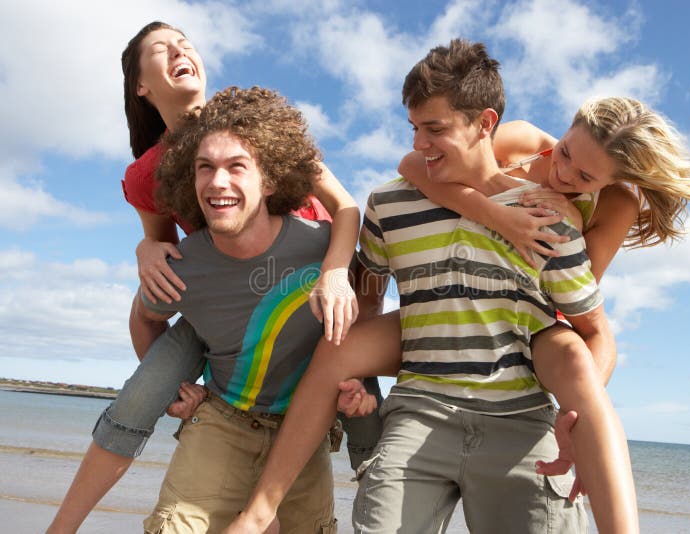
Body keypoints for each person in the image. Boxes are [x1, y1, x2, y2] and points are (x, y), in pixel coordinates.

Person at [226, 39, 639, 534]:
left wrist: (571, 418)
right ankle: (258, 513)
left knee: (570, 354)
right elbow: (372, 284)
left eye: (435, 129)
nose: (419, 143)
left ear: (485, 123)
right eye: (415, 128)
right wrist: (359, 371)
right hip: (421, 402)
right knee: (337, 347)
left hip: (520, 407)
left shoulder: (553, 215)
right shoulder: (390, 202)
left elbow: (591, 325)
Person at [47, 21, 381, 534]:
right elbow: (162, 245)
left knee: (358, 395)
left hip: (307, 275)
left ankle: (376, 488)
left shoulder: (252, 121)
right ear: (140, 85)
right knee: (141, 395)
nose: (180, 50)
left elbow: (345, 208)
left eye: (187, 43)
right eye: (162, 49)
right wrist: (145, 249)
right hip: (222, 294)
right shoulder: (149, 173)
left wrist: (335, 271)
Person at [146, 85, 339, 532]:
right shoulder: (183, 265)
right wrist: (178, 386)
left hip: (302, 430)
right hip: (221, 418)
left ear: (269, 180)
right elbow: (145, 316)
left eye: (237, 167)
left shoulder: (321, 247)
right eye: (205, 168)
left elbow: (368, 293)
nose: (217, 182)